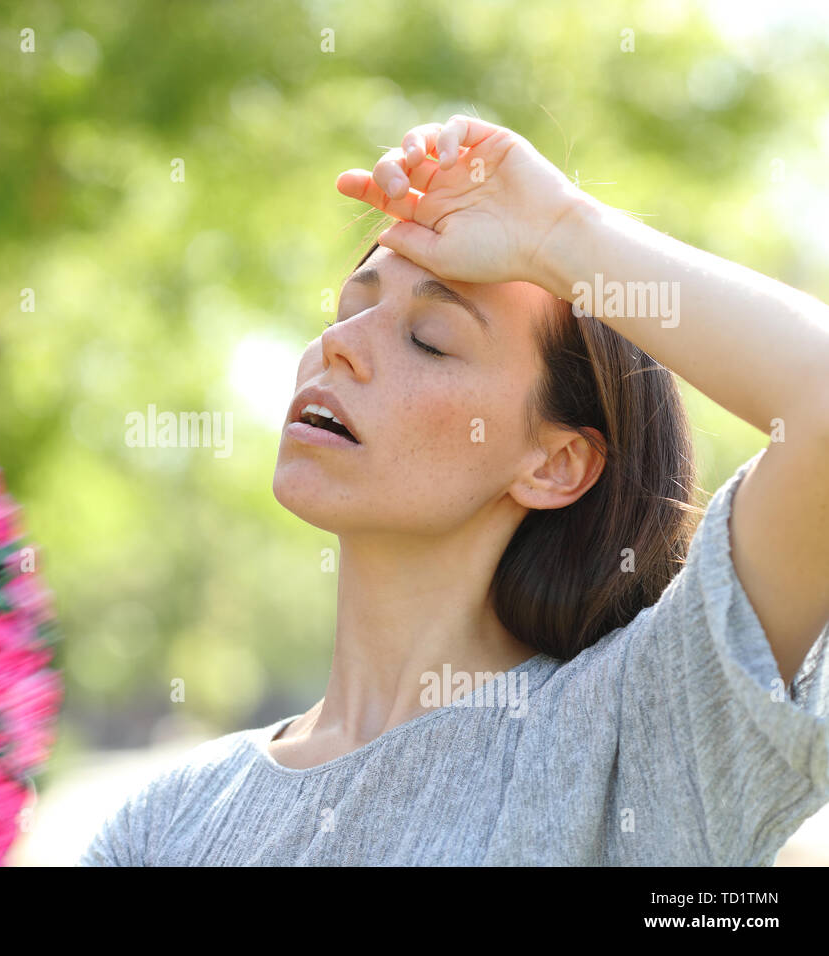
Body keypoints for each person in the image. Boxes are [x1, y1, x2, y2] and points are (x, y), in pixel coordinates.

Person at [76, 115, 829, 865]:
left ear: (556, 463)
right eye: (349, 308)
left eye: (428, 340)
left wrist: (564, 232)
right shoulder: (166, 823)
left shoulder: (634, 741)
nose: (341, 345)